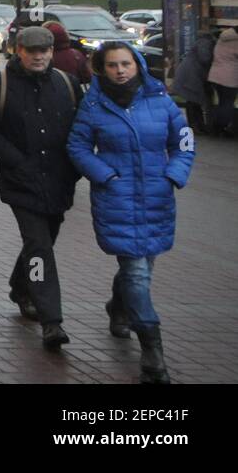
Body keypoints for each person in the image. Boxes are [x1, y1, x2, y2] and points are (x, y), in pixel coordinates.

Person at [68, 42, 194, 384]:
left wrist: (174, 174)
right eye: (112, 65)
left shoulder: (160, 101)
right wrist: (104, 174)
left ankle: (118, 307)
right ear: (102, 69)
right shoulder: (93, 105)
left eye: (126, 63)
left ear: (137, 65)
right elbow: (77, 146)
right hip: (117, 197)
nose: (120, 70)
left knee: (142, 267)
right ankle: (152, 351)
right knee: (137, 271)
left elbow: (182, 142)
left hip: (157, 196)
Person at [0, 25, 80, 350]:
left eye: (44, 51)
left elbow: (84, 128)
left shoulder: (67, 84)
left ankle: (21, 286)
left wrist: (78, 167)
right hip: (22, 183)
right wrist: (14, 160)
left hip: (59, 181)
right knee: (39, 248)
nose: (39, 57)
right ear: (19, 51)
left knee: (41, 245)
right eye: (32, 51)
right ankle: (50, 320)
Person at [204, 27, 238, 137]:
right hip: (229, 77)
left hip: (215, 75)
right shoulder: (236, 42)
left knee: (222, 102)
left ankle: (215, 127)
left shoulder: (222, 38)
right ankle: (220, 127)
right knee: (227, 103)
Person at [45, 21, 92, 87]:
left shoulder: (43, 57)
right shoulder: (76, 54)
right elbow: (87, 78)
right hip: (73, 93)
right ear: (65, 35)